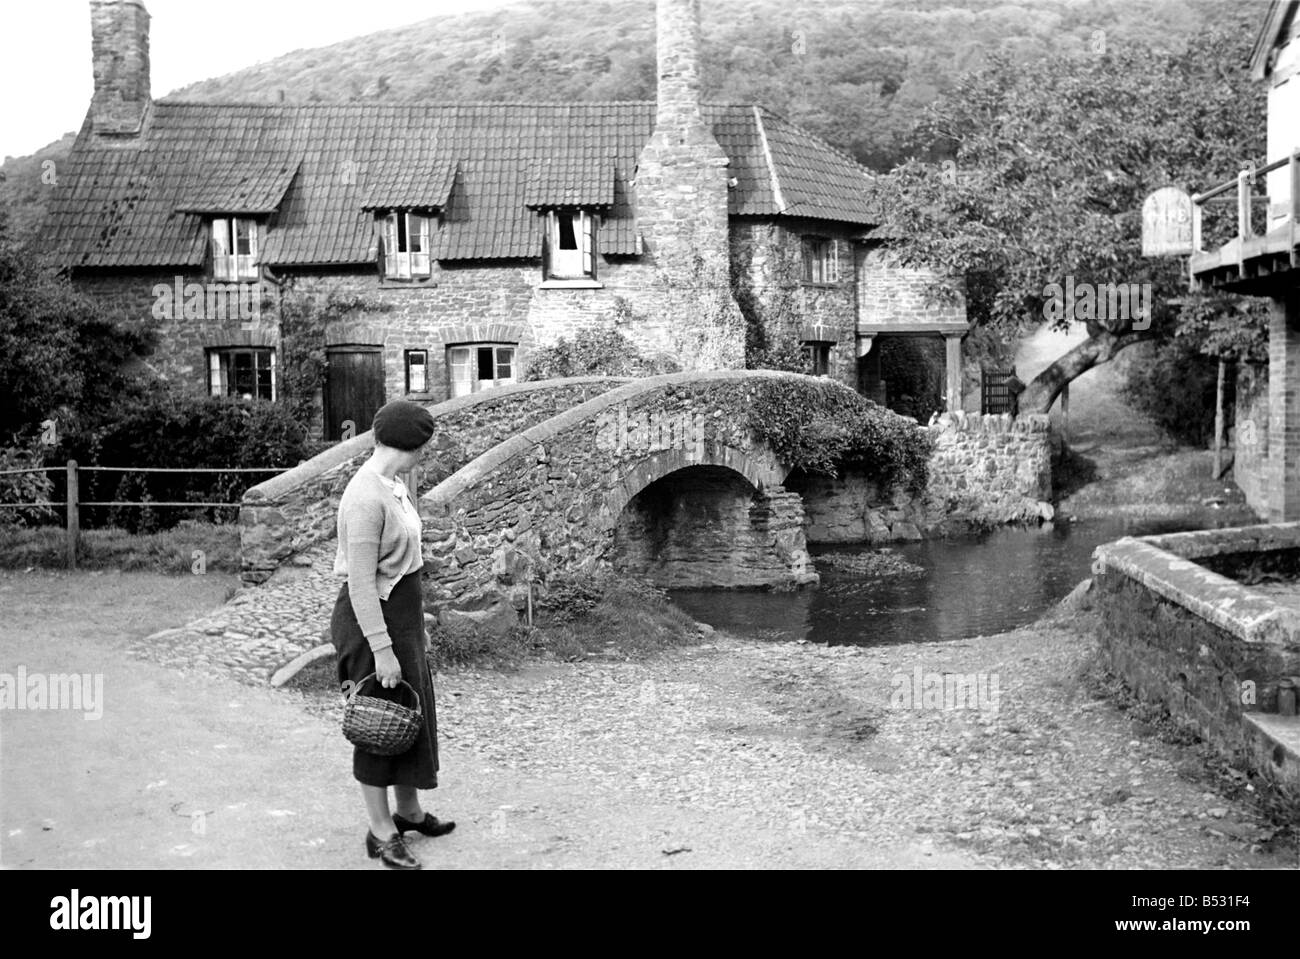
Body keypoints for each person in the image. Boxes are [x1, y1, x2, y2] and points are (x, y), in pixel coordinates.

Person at [330, 399, 454, 870]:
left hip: (399, 619)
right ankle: (380, 833)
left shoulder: (393, 484)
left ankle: (407, 812)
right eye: (423, 445)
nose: (425, 453)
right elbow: (361, 584)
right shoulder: (365, 496)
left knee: (410, 715)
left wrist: (412, 625)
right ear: (410, 445)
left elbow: (400, 565)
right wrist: (383, 649)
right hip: (370, 625)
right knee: (379, 724)